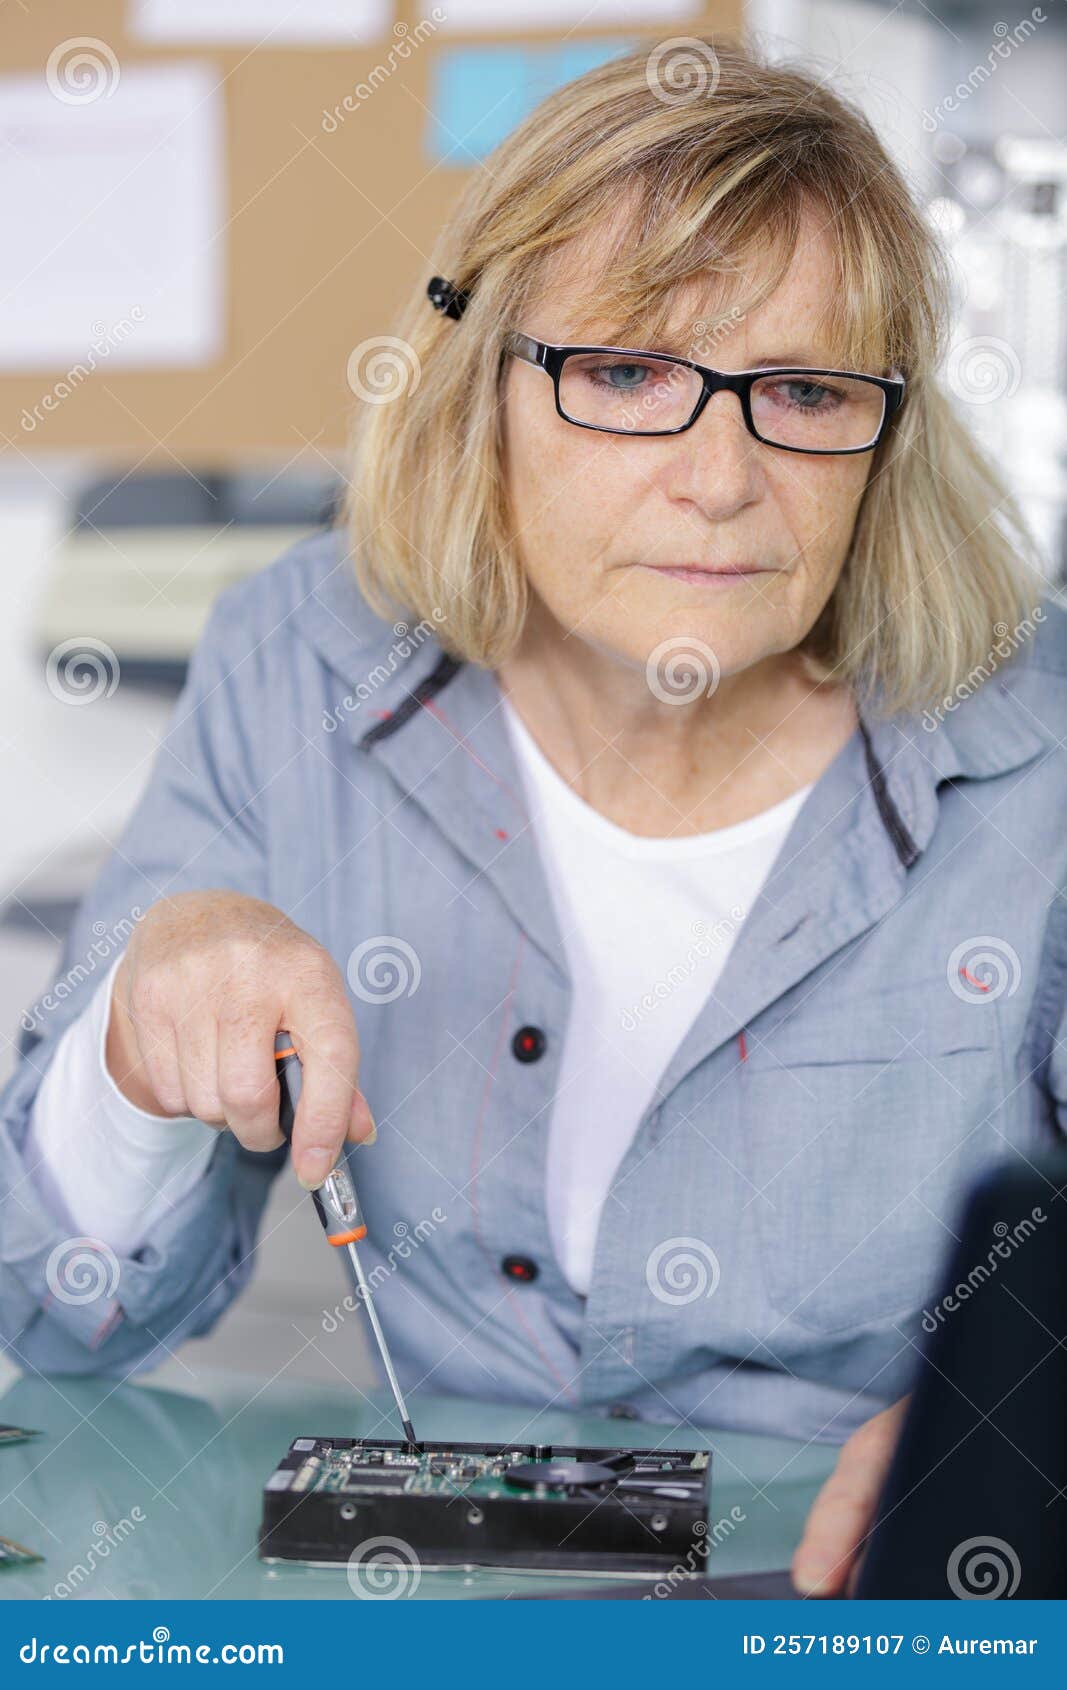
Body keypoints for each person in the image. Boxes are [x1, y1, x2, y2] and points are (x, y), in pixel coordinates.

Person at [2, 39, 1063, 1599]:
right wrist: (130, 1060)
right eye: (628, 373)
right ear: (480, 383)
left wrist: (1007, 1439)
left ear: (886, 435)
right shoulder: (294, 659)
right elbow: (56, 1311)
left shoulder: (1036, 747)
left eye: (805, 389)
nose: (721, 477)